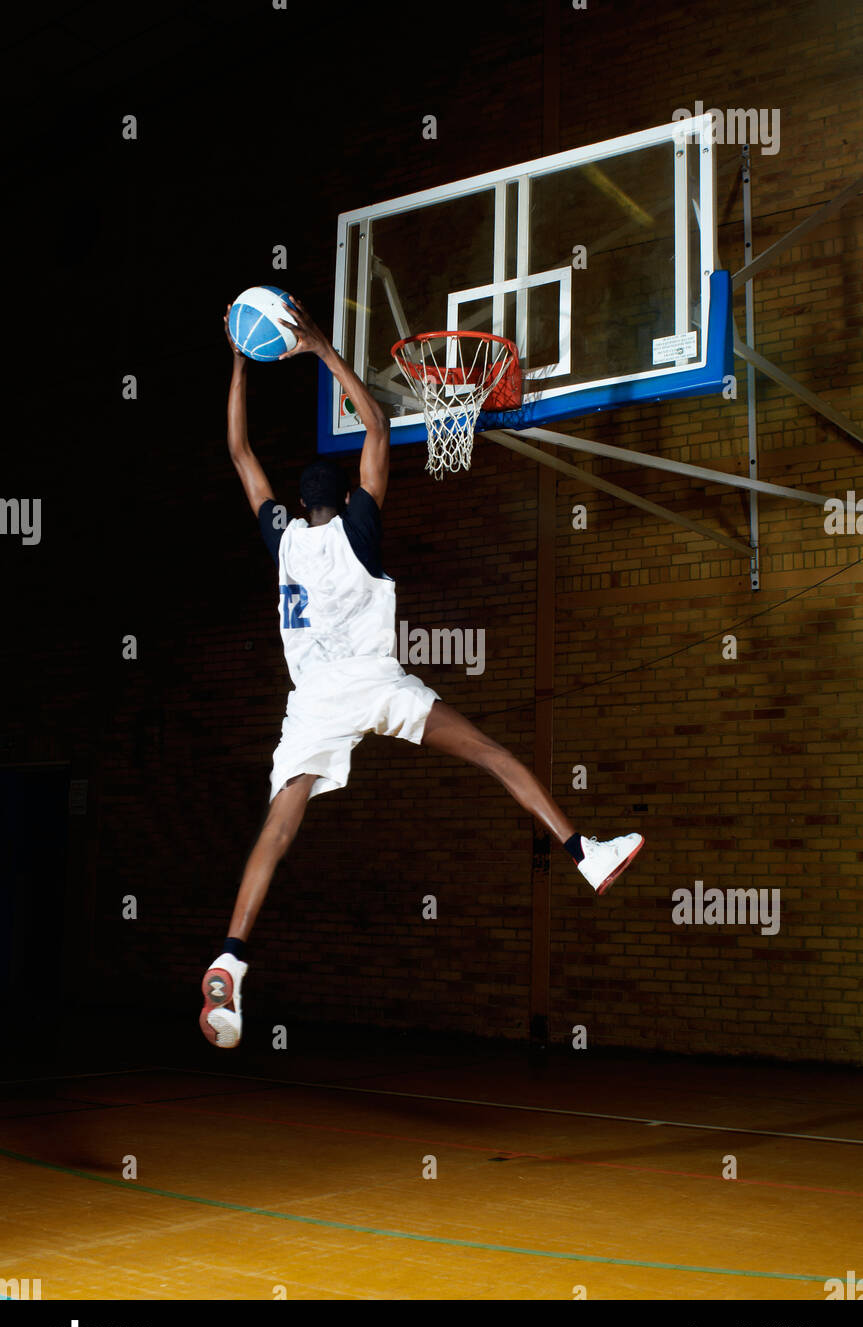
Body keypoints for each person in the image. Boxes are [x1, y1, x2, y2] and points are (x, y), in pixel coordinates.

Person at [200, 296, 644, 1048]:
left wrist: (241, 361)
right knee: (491, 756)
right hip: (377, 684)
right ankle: (582, 853)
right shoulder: (358, 528)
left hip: (312, 702)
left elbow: (241, 455)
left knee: (278, 827)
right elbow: (375, 425)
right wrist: (321, 351)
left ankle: (231, 959)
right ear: (341, 500)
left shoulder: (281, 543)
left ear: (295, 507)